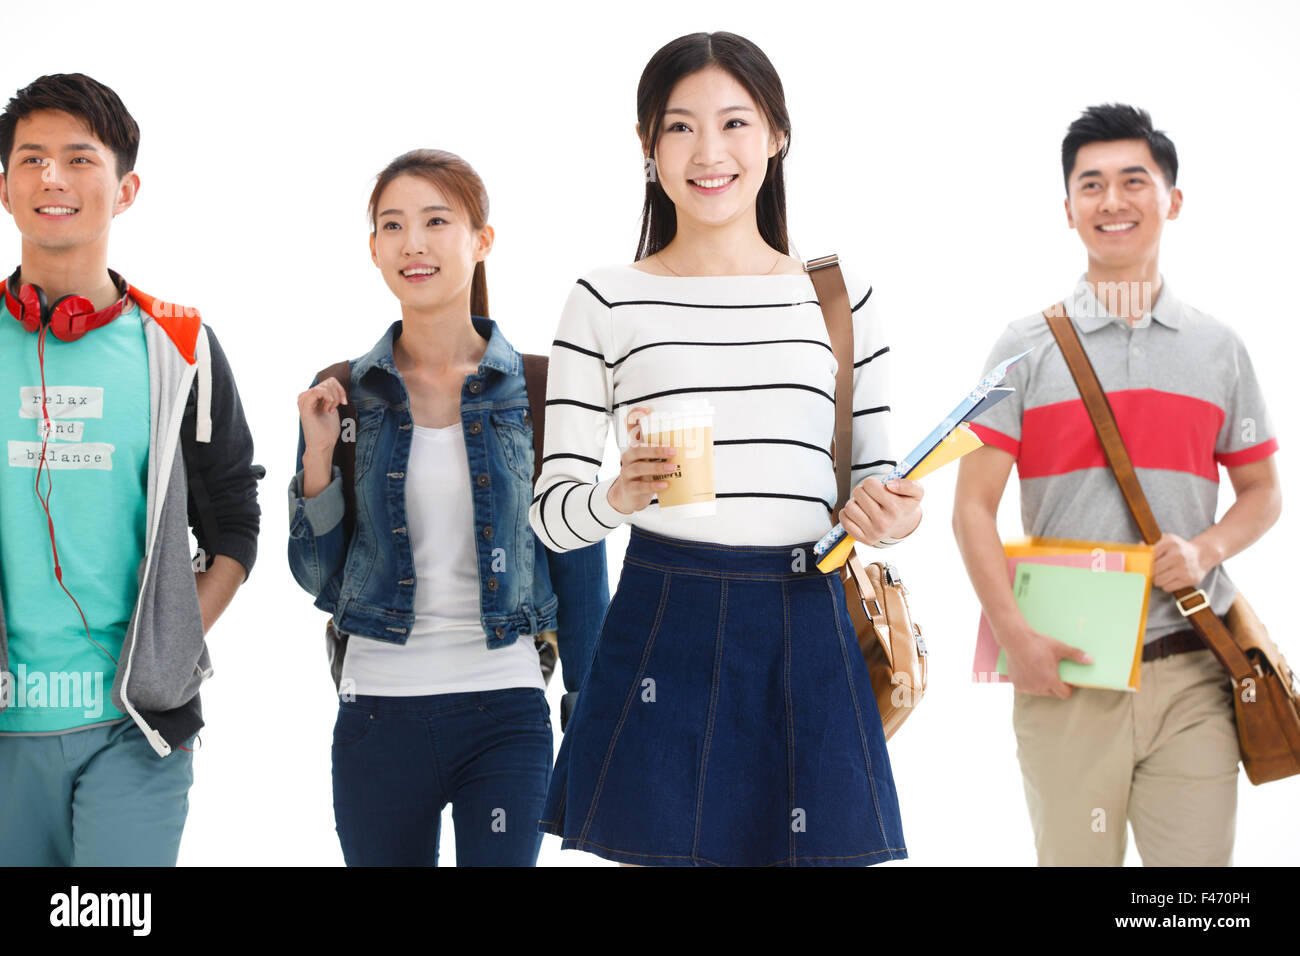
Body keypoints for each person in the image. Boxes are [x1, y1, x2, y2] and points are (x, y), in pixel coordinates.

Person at [530, 32, 922, 867]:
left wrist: (892, 512)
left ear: (776, 135)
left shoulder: (840, 298)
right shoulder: (605, 298)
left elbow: (876, 480)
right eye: (680, 127)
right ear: (648, 145)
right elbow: (552, 520)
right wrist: (615, 499)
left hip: (808, 612)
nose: (709, 152)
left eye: (735, 122)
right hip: (663, 611)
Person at [952, 103, 1282, 866]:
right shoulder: (1023, 347)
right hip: (1069, 667)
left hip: (1196, 665)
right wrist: (1014, 637)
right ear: (1068, 209)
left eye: (1134, 180)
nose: (1112, 200)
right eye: (1091, 184)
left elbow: (1264, 492)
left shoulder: (1219, 348)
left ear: (1173, 199)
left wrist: (1203, 551)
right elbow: (971, 507)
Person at [288, 149, 609, 867]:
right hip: (376, 713)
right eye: (393, 225)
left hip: (506, 710)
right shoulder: (343, 393)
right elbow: (315, 576)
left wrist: (590, 711)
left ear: (481, 239)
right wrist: (317, 462)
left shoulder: (541, 389)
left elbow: (580, 561)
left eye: (437, 221)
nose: (414, 243)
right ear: (374, 248)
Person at [0, 73, 264, 866]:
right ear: (4, 188)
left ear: (125, 190)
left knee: (107, 919)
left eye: (80, 158)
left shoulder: (180, 346)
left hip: (135, 727)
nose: (52, 177)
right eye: (31, 159)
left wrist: (167, 648)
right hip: (6, 729)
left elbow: (234, 522)